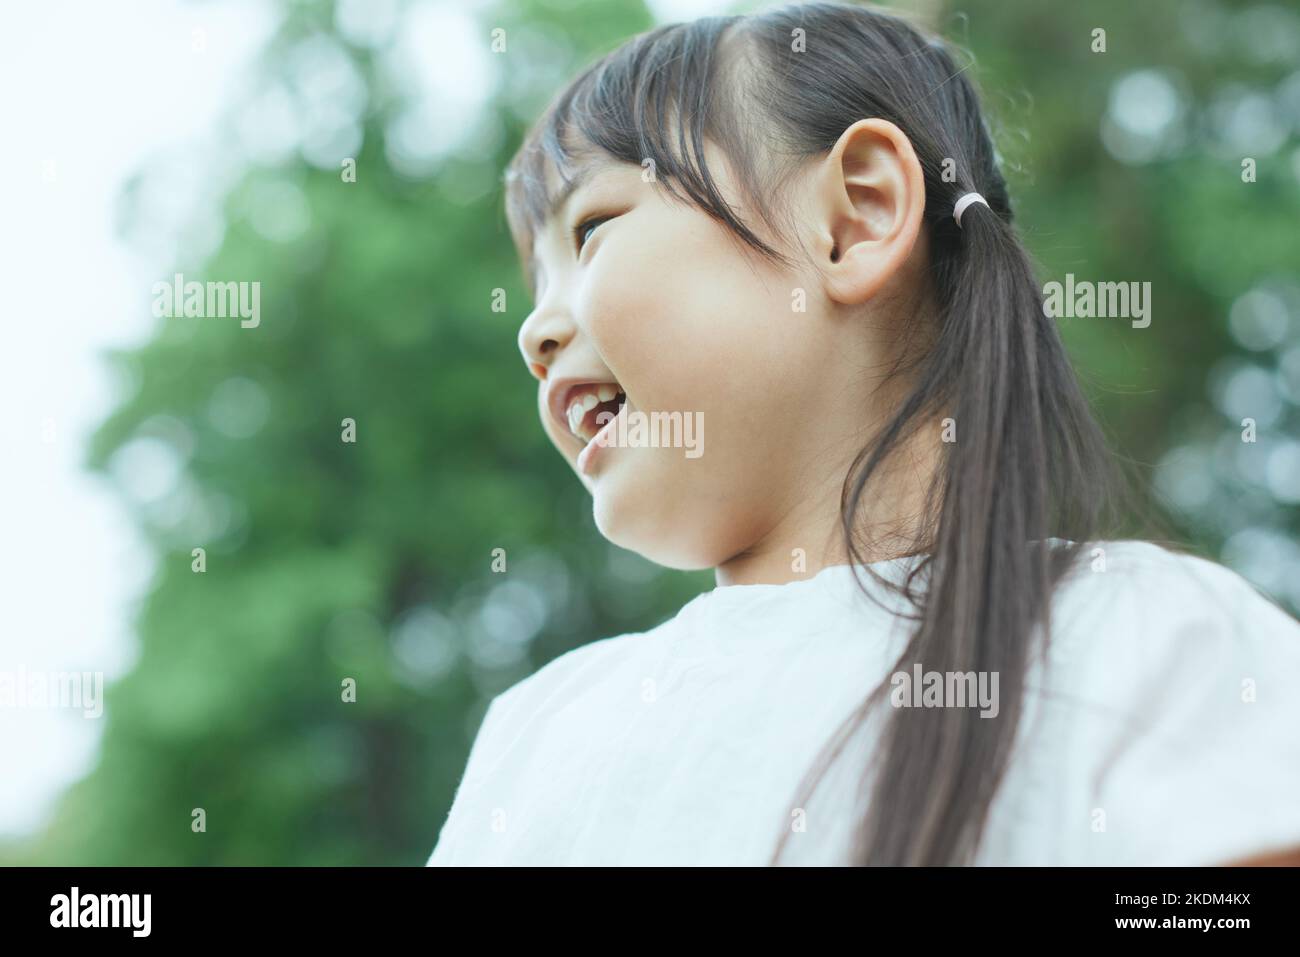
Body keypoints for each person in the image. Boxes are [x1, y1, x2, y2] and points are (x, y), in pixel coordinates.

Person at [428, 1, 1300, 866]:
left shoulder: (1144, 637)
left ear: (858, 216)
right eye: (535, 281)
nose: (533, 332)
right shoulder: (540, 729)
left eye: (591, 230)